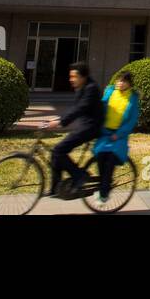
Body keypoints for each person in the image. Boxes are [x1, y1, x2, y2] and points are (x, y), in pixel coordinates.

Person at [45, 61, 102, 198]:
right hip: (84, 125)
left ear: (83, 77)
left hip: (92, 127)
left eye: (74, 76)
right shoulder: (82, 88)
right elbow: (73, 109)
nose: (71, 80)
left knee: (59, 150)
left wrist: (61, 122)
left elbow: (80, 108)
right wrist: (58, 120)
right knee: (56, 152)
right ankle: (56, 188)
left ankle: (79, 176)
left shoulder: (91, 89)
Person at [92, 70, 141, 203]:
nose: (119, 83)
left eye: (123, 81)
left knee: (110, 162)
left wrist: (119, 134)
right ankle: (104, 185)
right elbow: (101, 107)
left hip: (118, 137)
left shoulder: (133, 98)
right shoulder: (109, 91)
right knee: (100, 158)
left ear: (129, 84)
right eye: (118, 80)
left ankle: (103, 194)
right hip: (105, 133)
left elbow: (131, 120)